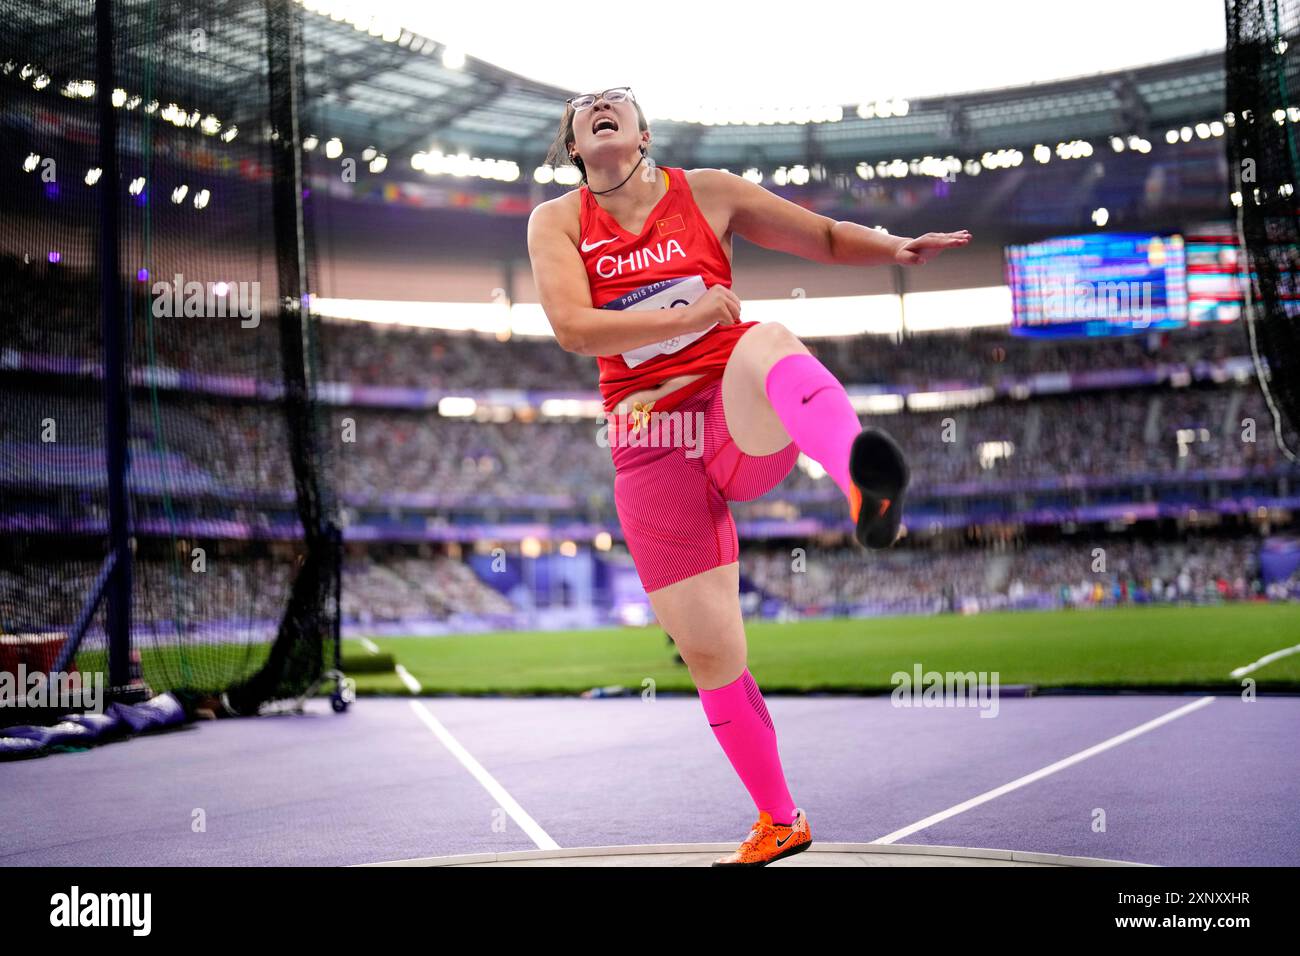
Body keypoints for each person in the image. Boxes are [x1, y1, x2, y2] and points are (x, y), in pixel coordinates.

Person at [527, 86, 970, 866]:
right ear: (573, 144)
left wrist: (895, 249)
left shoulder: (707, 195)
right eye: (584, 106)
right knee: (711, 656)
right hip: (651, 443)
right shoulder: (557, 222)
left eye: (615, 101)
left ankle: (860, 482)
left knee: (765, 337)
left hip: (734, 414)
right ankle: (779, 819)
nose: (599, 105)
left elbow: (826, 237)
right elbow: (572, 327)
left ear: (641, 132)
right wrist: (685, 318)